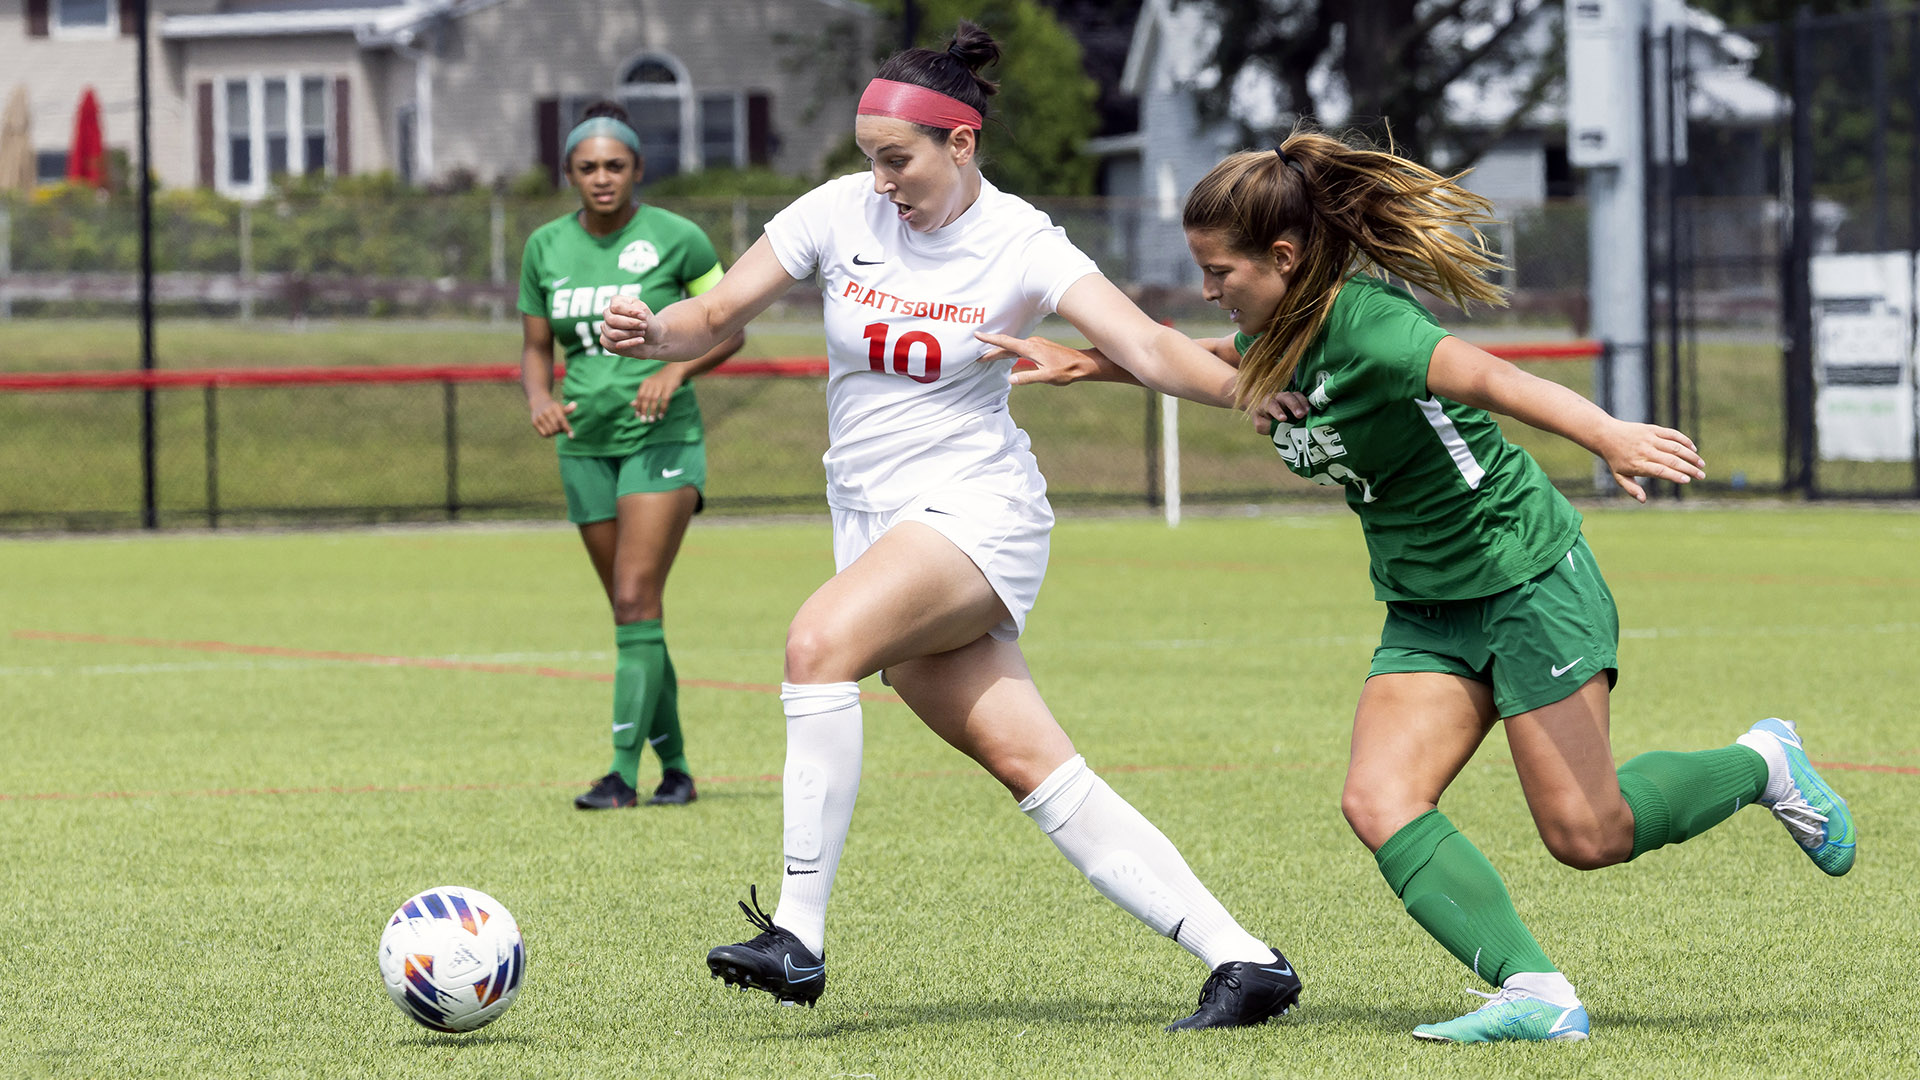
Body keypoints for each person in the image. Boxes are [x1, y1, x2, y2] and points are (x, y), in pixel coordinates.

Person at [981, 133, 1858, 1043]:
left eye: (1219, 269)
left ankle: (1763, 763)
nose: (1209, 289)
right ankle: (1537, 995)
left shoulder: (1373, 325)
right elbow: (1215, 357)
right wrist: (1094, 362)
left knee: (1589, 836)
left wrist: (1605, 433)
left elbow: (1492, 376)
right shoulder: (1269, 331)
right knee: (1379, 800)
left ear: (1283, 258)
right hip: (1424, 607)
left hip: (1523, 579)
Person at [599, 23, 1300, 1030]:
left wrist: (1251, 387)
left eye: (900, 160)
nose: (880, 180)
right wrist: (653, 330)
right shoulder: (839, 211)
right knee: (1039, 769)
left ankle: (796, 933)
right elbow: (711, 318)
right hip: (877, 529)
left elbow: (1146, 346)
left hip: (977, 515)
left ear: (961, 143)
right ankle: (1241, 957)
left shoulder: (1020, 240)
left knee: (816, 643)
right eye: (870, 159)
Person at [517, 100, 744, 810]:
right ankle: (677, 769)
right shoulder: (544, 248)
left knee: (633, 596)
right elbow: (534, 348)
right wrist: (538, 401)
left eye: (615, 165)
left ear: (638, 169)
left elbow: (728, 328)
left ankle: (620, 774)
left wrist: (674, 369)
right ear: (570, 175)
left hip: (662, 438)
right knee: (633, 615)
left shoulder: (678, 239)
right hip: (584, 446)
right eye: (588, 168)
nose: (602, 178)